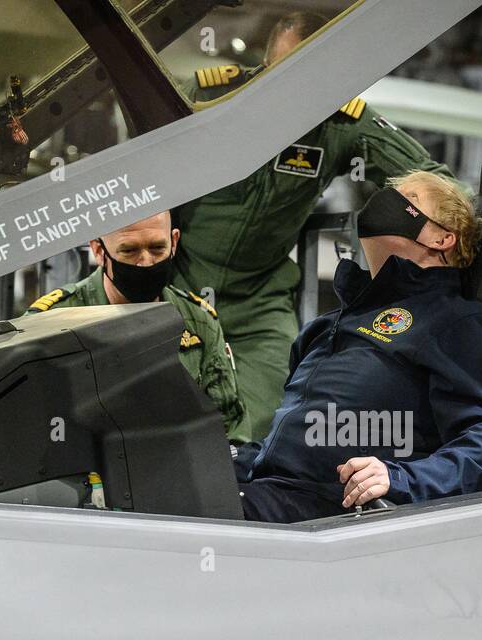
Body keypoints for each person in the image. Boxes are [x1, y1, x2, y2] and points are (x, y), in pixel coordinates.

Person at [176, 11, 455, 441]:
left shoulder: (341, 126)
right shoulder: (206, 96)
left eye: (303, 81)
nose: (286, 94)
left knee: (268, 429)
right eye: (277, 76)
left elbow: (435, 179)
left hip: (258, 304)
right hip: (176, 286)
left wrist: (450, 230)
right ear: (263, 65)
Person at [236, 171, 482, 523]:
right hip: (267, 486)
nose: (388, 200)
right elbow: (288, 442)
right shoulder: (326, 325)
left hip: (331, 507)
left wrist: (400, 478)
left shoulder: (461, 322)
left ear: (442, 237)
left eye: (410, 200)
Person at [24, 210, 248, 442]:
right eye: (129, 251)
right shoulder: (51, 324)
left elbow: (229, 426)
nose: (145, 262)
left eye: (157, 248)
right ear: (99, 251)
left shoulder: (198, 319)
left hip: (178, 465)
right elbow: (30, 428)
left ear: (174, 242)